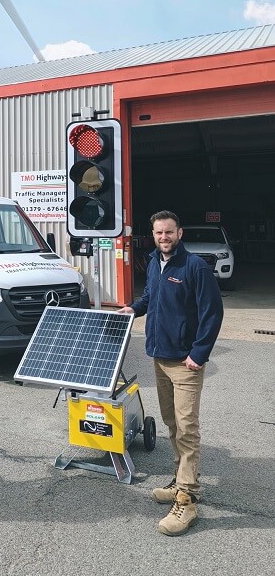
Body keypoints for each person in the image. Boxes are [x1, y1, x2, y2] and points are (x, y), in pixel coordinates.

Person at [120, 210, 223, 536]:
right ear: (154, 235)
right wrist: (134, 309)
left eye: (168, 232)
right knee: (172, 424)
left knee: (187, 430)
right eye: (158, 233)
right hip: (160, 358)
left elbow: (212, 313)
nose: (163, 238)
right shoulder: (154, 263)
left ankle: (188, 500)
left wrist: (198, 354)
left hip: (185, 364)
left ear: (179, 233)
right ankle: (181, 480)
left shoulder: (194, 267)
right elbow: (152, 296)